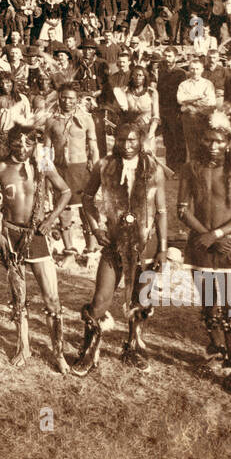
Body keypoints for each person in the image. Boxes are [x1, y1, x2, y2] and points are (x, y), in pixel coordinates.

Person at [74, 122, 168, 374]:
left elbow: (160, 211)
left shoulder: (153, 169)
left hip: (146, 247)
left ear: (141, 141)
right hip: (114, 246)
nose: (127, 146)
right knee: (100, 301)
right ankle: (89, 352)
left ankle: (134, 347)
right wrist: (96, 229)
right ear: (115, 140)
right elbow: (86, 198)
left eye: (132, 141)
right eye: (122, 140)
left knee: (140, 300)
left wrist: (163, 248)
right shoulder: (104, 166)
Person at [179, 111, 231, 399]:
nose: (213, 146)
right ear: (202, 141)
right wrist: (207, 237)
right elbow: (182, 210)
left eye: (219, 141)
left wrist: (218, 235)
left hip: (228, 248)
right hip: (202, 247)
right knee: (209, 306)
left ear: (227, 143)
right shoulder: (190, 169)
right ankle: (217, 350)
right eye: (209, 140)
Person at [0, 124, 72, 374]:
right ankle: (23, 347)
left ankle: (59, 353)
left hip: (37, 235)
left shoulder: (41, 164)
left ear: (34, 145)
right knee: (18, 298)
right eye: (17, 144)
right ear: (9, 144)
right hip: (11, 236)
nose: (22, 149)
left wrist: (50, 219)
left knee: (52, 300)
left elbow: (65, 192)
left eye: (28, 144)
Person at [46, 84, 98, 265]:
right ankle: (69, 251)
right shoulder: (51, 120)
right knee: (64, 210)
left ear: (77, 99)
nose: (67, 101)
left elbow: (93, 146)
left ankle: (90, 251)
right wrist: (47, 170)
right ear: (59, 97)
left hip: (82, 168)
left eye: (71, 98)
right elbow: (46, 147)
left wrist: (97, 168)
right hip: (60, 169)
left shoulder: (86, 119)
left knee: (87, 209)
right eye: (64, 97)